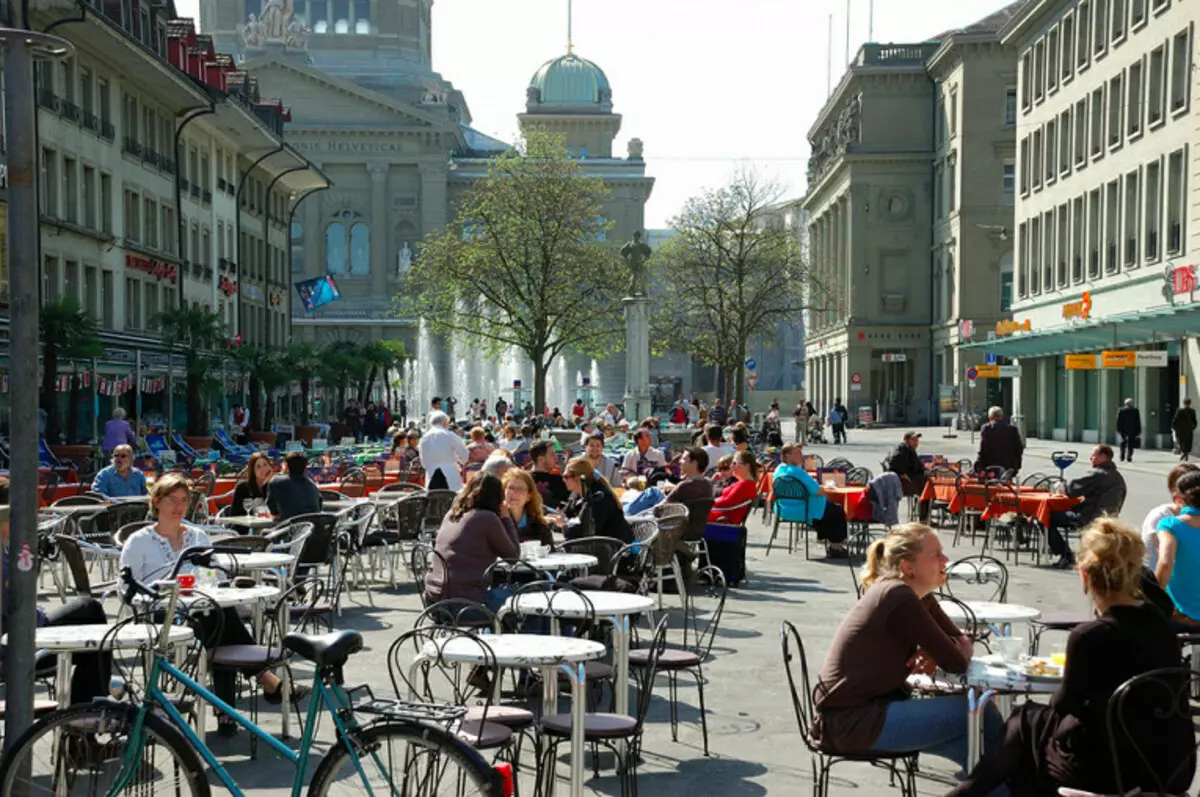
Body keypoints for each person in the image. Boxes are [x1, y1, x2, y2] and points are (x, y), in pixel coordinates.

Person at [950, 519, 1194, 797]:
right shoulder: (1161, 626)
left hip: (1109, 769)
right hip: (1169, 764)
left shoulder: (1090, 635)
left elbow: (1065, 704)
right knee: (1031, 729)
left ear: (1084, 576)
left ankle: (965, 793)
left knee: (1024, 722)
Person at [120, 474, 302, 734]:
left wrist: (202, 587)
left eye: (184, 500)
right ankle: (262, 682)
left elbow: (215, 575)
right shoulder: (139, 541)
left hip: (201, 608)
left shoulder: (197, 537)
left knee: (216, 614)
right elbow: (126, 589)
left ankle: (233, 704)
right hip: (159, 616)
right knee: (219, 618)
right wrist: (158, 595)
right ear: (157, 502)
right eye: (172, 500)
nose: (179, 507)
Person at [813, 525, 992, 776]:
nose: (946, 559)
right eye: (936, 554)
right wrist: (945, 648)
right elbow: (957, 661)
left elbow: (959, 640)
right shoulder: (898, 596)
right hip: (853, 722)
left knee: (979, 748)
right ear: (908, 567)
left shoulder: (917, 595)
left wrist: (935, 650)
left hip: (864, 715)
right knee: (981, 713)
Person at [0, 481, 112, 706]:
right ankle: (83, 720)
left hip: (29, 629)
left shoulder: (9, 546)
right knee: (91, 617)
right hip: (19, 644)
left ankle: (83, 715)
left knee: (90, 616)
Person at [423, 474, 520, 611]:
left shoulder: (452, 514)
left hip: (434, 599)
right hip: (464, 604)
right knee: (524, 595)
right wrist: (506, 518)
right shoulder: (487, 518)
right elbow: (513, 557)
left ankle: (495, 630)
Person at [1047, 444, 1127, 569]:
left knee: (1046, 516)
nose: (1090, 458)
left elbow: (1073, 489)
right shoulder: (1118, 477)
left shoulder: (1098, 474)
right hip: (1108, 519)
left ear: (1103, 457)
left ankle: (1065, 553)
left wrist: (1060, 487)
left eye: (1094, 455)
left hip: (1087, 517)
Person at [773, 443, 847, 556]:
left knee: (828, 509)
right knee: (837, 510)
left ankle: (828, 541)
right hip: (805, 510)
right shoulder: (798, 472)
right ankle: (835, 547)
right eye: (797, 453)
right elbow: (817, 490)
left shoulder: (778, 470)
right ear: (787, 455)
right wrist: (828, 487)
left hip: (783, 509)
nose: (801, 456)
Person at [1154, 469, 1200, 621]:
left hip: (1182, 613)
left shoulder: (1171, 525)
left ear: (1178, 498)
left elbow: (1165, 563)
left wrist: (1154, 598)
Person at [556, 457, 633, 544]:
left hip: (616, 551)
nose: (563, 479)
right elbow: (566, 516)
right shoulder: (576, 495)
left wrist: (564, 525)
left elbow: (587, 530)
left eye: (566, 476)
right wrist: (557, 520)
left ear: (578, 478)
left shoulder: (599, 497)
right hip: (598, 547)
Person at [1140, 463, 1198, 571]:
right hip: (1156, 579)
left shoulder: (1194, 515)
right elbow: (1166, 560)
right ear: (1173, 489)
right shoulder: (1161, 516)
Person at [418, 411, 469, 492]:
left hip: (431, 476)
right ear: (444, 422)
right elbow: (464, 457)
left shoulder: (423, 438)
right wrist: (458, 461)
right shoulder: (450, 435)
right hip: (451, 475)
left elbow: (423, 463)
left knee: (433, 500)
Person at [503, 469, 555, 546]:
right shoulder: (494, 521)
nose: (514, 492)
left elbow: (551, 552)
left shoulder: (539, 525)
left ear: (529, 496)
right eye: (511, 487)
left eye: (520, 489)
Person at [266, 451, 322, 521]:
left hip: (288, 529)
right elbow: (319, 508)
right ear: (305, 468)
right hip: (311, 529)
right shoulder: (313, 485)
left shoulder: (276, 482)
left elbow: (273, 510)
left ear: (286, 466)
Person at [886, 431, 929, 521]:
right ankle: (924, 518)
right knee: (927, 488)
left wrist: (925, 470)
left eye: (917, 440)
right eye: (913, 440)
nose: (916, 442)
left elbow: (918, 466)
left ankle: (925, 516)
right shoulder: (902, 448)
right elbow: (894, 463)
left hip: (913, 480)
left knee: (927, 483)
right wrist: (902, 473)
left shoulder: (910, 449)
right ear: (906, 440)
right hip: (904, 484)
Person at [708, 450, 759, 525]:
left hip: (722, 520)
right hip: (720, 515)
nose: (731, 466)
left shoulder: (745, 485)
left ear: (747, 466)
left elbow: (726, 502)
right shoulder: (744, 483)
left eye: (734, 463)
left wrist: (704, 503)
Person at [974, 406, 1023, 474]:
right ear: (1002, 417)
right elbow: (1019, 449)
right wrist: (1017, 466)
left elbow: (983, 448)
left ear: (990, 417)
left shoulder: (986, 428)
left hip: (990, 467)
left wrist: (978, 465)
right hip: (1008, 467)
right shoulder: (1012, 429)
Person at [230, 451, 275, 519]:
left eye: (265, 465)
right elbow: (235, 514)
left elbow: (275, 510)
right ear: (253, 470)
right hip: (245, 527)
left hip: (271, 527)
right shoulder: (243, 487)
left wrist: (265, 484)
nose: (263, 469)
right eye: (258, 467)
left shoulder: (275, 485)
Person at [529, 440, 569, 509]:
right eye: (552, 455)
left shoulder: (524, 478)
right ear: (540, 459)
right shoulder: (558, 480)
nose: (556, 457)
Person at [1116, 398, 1142, 462]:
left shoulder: (1135, 410)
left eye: (1130, 403)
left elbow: (1137, 421)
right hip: (1124, 430)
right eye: (1128, 403)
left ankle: (1129, 456)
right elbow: (1118, 420)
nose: (1130, 404)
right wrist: (1118, 429)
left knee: (1130, 444)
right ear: (1126, 404)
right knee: (1123, 442)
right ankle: (1122, 455)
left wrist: (1138, 430)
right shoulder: (1121, 410)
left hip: (1132, 430)